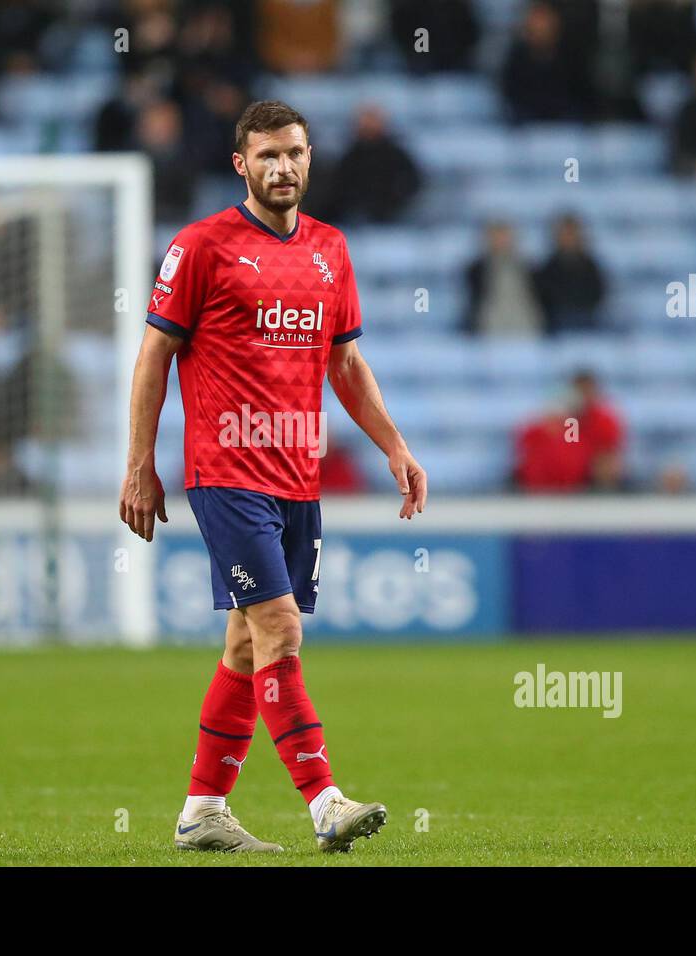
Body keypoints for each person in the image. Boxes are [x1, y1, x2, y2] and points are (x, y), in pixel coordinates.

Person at [119, 100, 426, 854]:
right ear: (241, 165)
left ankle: (202, 811)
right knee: (281, 629)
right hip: (225, 474)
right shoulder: (201, 247)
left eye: (293, 153)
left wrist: (394, 445)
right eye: (266, 157)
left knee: (247, 648)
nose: (281, 167)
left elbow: (345, 363)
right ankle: (325, 802)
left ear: (309, 158)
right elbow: (154, 357)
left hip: (298, 478)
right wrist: (139, 465)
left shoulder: (331, 250)